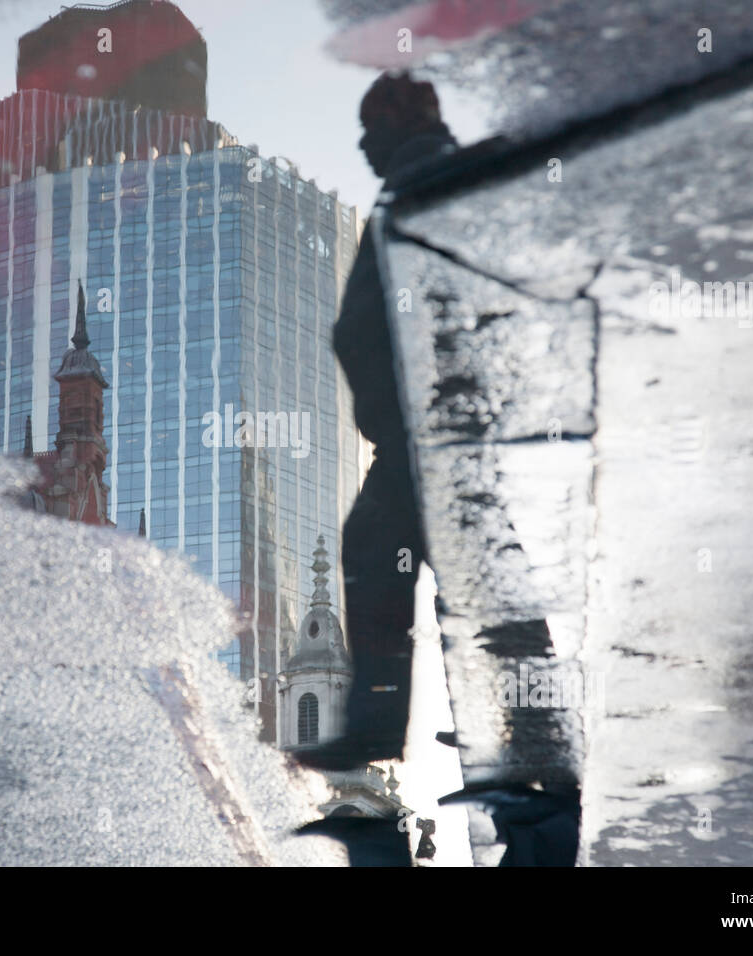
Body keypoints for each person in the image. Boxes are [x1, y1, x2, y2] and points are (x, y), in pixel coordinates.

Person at [297, 73, 456, 771]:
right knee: (382, 550)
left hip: (438, 427)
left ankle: (523, 724)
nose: (361, 145)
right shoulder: (409, 185)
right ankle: (379, 721)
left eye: (371, 128)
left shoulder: (432, 174)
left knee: (465, 569)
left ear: (404, 119)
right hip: (413, 432)